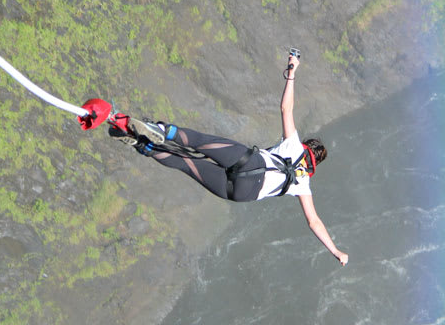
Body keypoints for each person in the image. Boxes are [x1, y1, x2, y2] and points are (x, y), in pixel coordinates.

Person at [110, 53, 348, 266]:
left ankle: (160, 130)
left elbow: (286, 108)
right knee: (187, 164)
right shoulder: (303, 185)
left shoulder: (294, 145)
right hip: (240, 193)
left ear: (308, 146)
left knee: (198, 142)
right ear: (314, 166)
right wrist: (336, 251)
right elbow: (314, 222)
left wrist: (292, 73)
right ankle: (143, 145)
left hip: (251, 163)